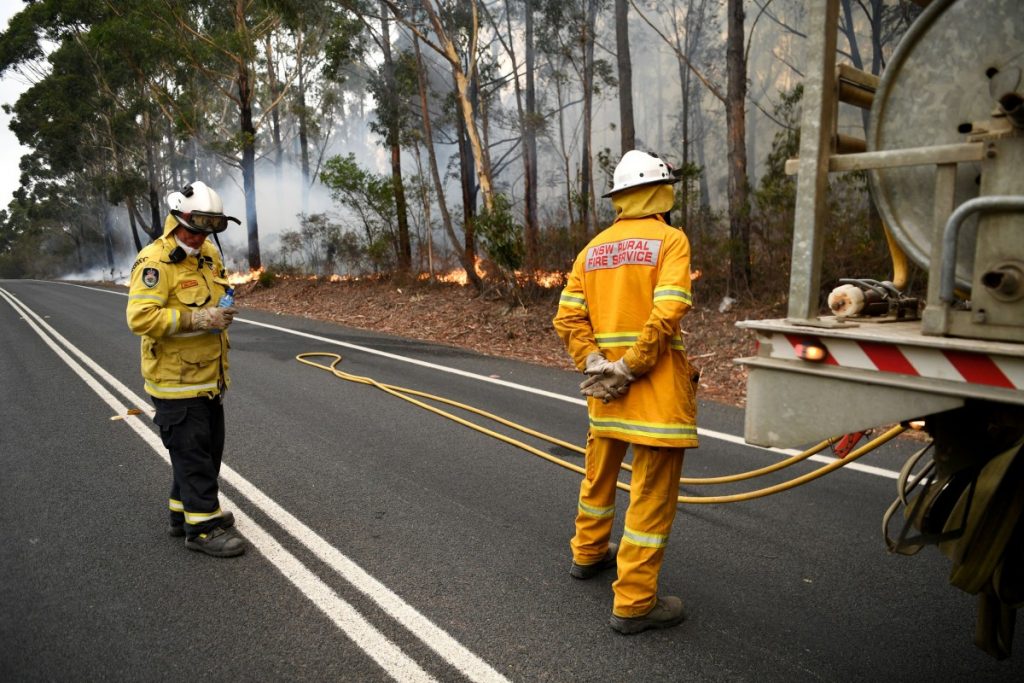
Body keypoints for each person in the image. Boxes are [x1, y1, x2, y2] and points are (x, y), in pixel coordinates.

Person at [553, 150, 699, 634]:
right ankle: (635, 602)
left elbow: (567, 316)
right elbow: (668, 312)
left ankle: (588, 553)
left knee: (598, 478)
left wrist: (595, 362)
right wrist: (629, 367)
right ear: (662, 193)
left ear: (620, 198)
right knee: (649, 499)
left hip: (605, 395)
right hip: (651, 396)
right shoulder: (670, 241)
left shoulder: (592, 250)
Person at [126, 181, 245, 558]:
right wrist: (198, 318)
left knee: (204, 453)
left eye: (207, 230)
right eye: (193, 230)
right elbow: (140, 317)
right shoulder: (154, 262)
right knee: (193, 456)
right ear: (175, 220)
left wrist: (222, 309)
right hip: (176, 382)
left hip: (209, 378)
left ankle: (183, 513)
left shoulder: (208, 255)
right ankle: (203, 529)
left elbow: (215, 298)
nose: (199, 238)